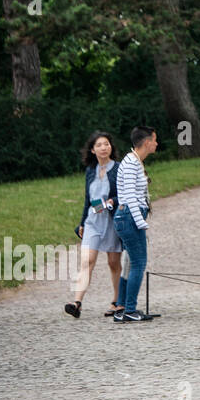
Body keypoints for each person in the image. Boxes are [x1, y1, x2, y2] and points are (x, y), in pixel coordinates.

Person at [65, 131, 123, 318]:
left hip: (112, 220)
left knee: (113, 263)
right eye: (99, 145)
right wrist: (82, 222)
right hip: (93, 221)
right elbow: (87, 200)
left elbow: (123, 194)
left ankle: (116, 302)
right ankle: (77, 302)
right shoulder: (90, 171)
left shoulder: (118, 168)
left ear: (111, 147)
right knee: (87, 261)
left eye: (106, 144)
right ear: (92, 149)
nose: (103, 148)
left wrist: (112, 201)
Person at [112, 126, 158, 322]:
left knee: (130, 263)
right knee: (139, 263)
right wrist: (141, 222)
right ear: (147, 142)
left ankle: (122, 309)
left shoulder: (134, 161)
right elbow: (130, 195)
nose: (157, 144)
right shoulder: (131, 163)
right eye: (155, 140)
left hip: (129, 217)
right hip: (130, 217)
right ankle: (130, 310)